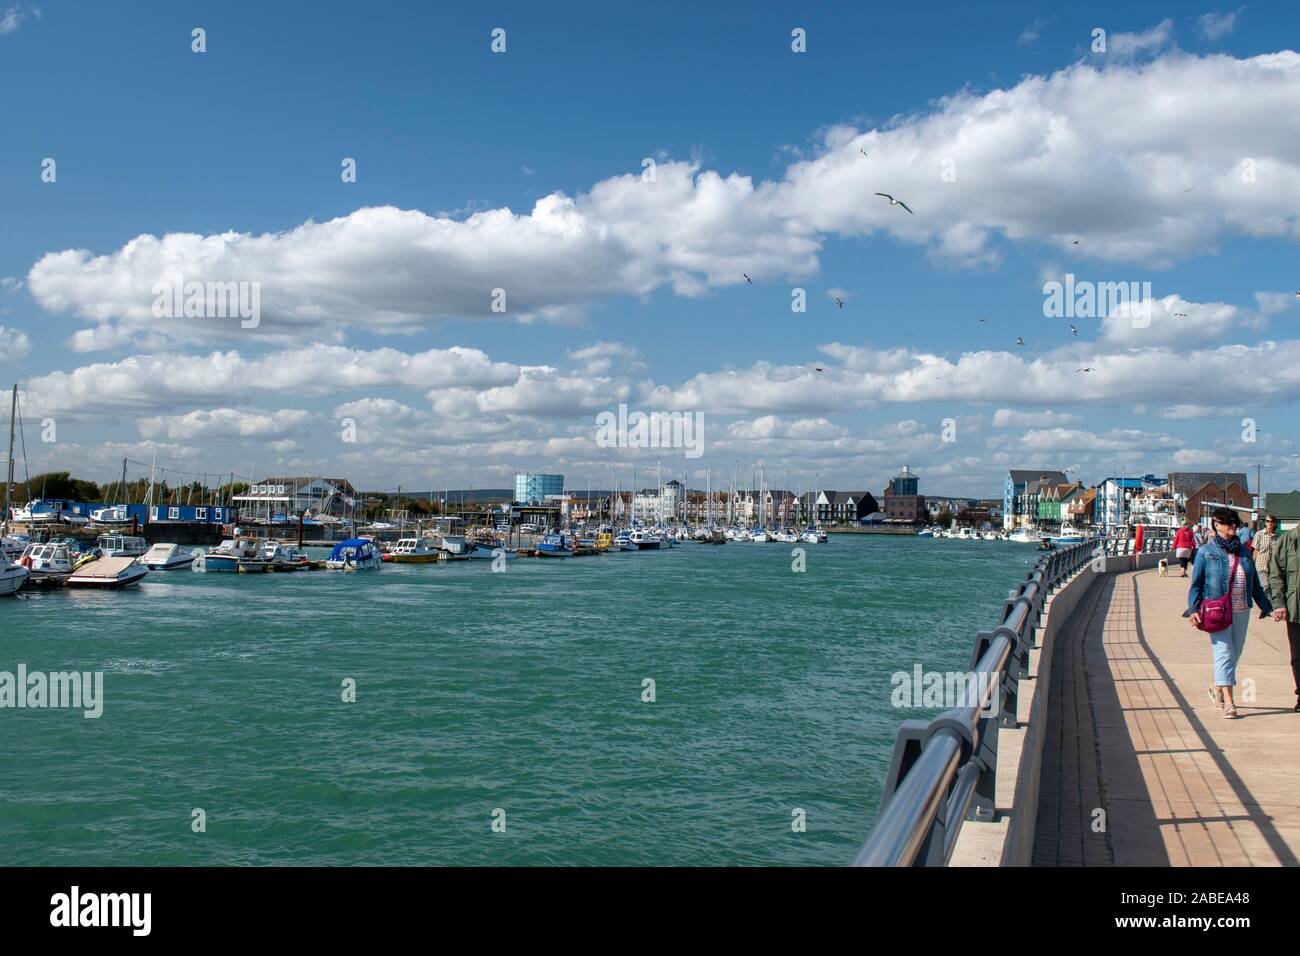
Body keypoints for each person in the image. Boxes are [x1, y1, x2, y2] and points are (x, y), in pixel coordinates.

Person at [1185, 507, 1273, 719]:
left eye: (1234, 522)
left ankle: (1216, 687)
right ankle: (1229, 702)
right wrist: (1193, 609)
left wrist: (1267, 607)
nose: (1233, 526)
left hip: (1241, 610)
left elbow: (1255, 586)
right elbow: (1196, 584)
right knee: (1224, 653)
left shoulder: (1244, 551)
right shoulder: (1206, 552)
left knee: (1235, 654)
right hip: (1218, 612)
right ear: (1217, 525)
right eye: (1228, 523)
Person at [1267, 519, 1300, 713]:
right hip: (1296, 609)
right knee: (1298, 657)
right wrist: (1279, 604)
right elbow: (1276, 574)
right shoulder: (1288, 540)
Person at [1254, 515, 1279, 591]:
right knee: (1265, 586)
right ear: (1265, 523)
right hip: (1261, 566)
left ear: (1274, 523)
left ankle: (1269, 602)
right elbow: (1255, 551)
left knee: (1273, 588)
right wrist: (1253, 564)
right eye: (1267, 521)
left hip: (1273, 567)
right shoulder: (1259, 534)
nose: (1269, 523)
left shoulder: (1278, 537)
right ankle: (1264, 603)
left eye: (1271, 521)